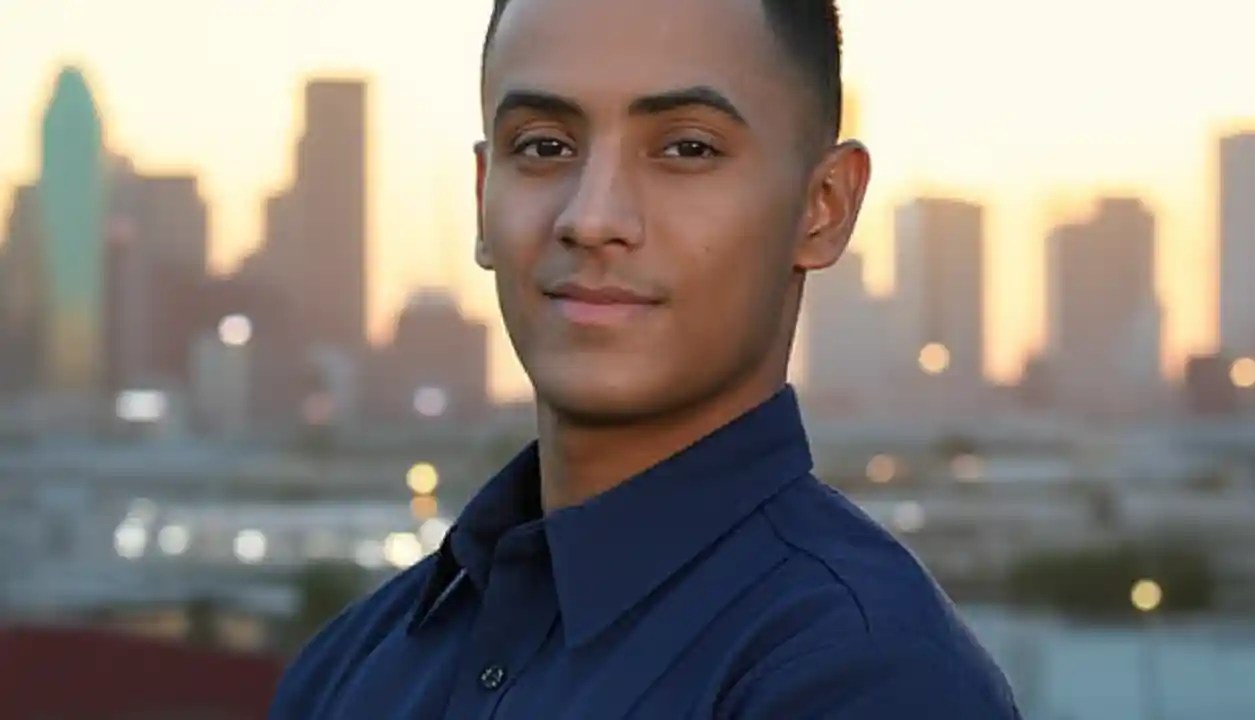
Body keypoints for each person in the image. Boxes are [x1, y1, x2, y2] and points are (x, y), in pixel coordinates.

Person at [270, 0, 1022, 716]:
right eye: (543, 147)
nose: (591, 219)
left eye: (686, 149)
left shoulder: (863, 677)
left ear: (822, 207)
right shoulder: (352, 666)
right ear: (482, 199)